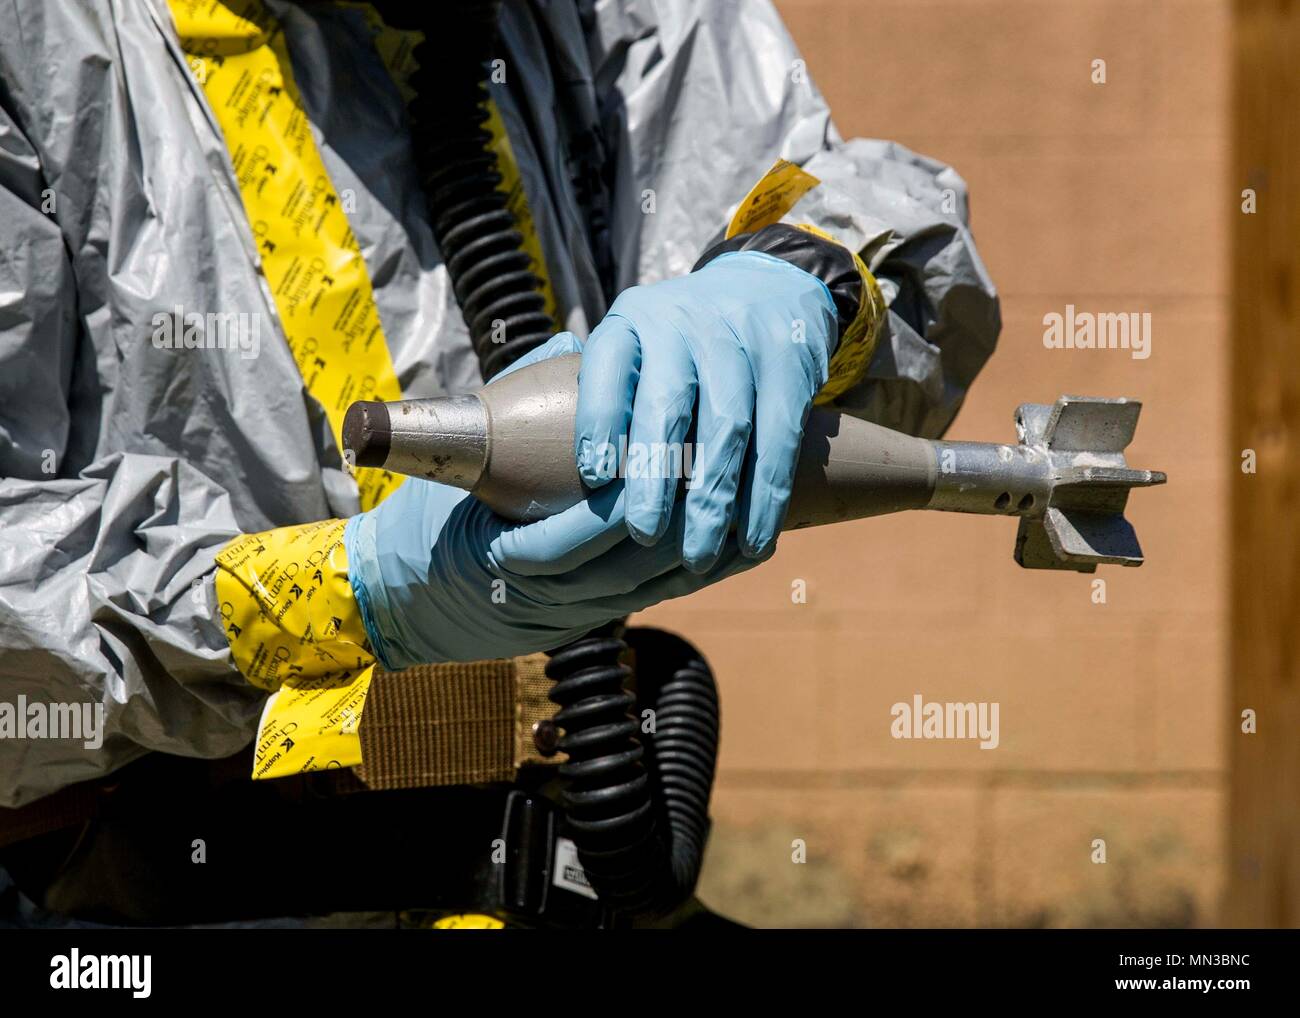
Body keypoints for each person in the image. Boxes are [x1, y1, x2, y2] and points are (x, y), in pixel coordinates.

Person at [0, 0, 999, 924]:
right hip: (152, 894)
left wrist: (808, 278)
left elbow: (852, 215)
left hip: (554, 862)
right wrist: (337, 593)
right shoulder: (46, 38)